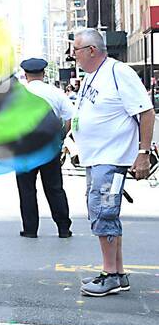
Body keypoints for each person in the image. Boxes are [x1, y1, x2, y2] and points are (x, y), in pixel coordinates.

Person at [70, 29, 156, 296]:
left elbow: (146, 112)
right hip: (97, 158)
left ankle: (109, 275)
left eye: (77, 51)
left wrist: (142, 153)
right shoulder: (91, 77)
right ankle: (117, 274)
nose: (75, 57)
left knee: (103, 213)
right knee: (105, 214)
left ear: (92, 50)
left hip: (111, 158)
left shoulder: (119, 73)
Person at [15, 57, 73, 239]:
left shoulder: (18, 95)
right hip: (49, 146)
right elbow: (70, 118)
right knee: (54, 187)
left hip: (24, 149)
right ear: (44, 73)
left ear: (25, 75)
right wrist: (61, 136)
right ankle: (63, 227)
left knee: (27, 189)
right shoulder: (55, 93)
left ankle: (30, 229)